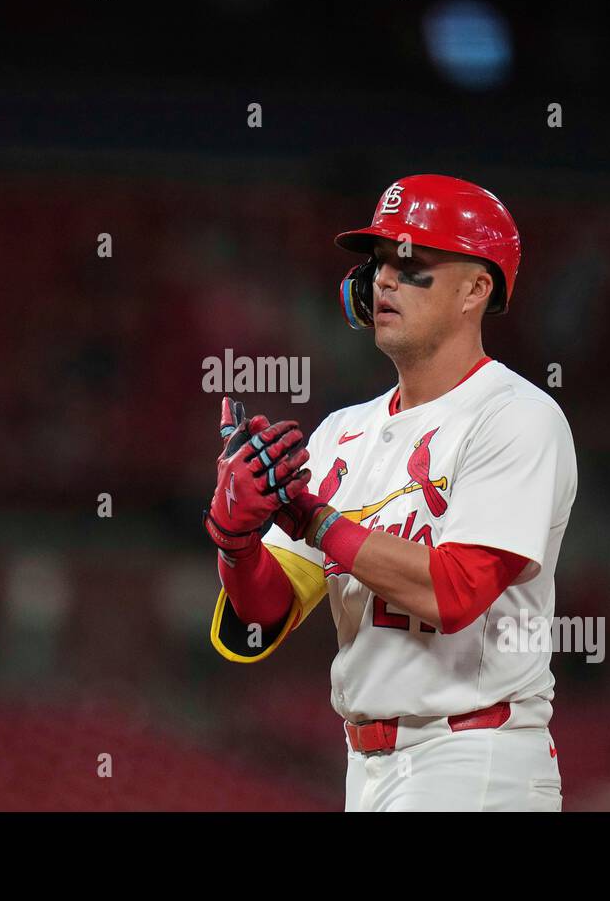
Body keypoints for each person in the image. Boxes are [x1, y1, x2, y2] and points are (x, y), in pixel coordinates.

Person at [203, 175, 577, 811]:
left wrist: (317, 521)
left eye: (413, 263)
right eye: (379, 264)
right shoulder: (341, 433)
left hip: (475, 757)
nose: (384, 280)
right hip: (369, 766)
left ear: (477, 289)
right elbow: (263, 618)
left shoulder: (515, 416)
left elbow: (452, 590)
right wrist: (237, 541)